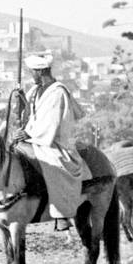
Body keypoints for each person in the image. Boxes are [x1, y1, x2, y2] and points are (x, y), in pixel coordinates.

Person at [9, 51, 90, 228]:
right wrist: (20, 101)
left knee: (51, 164)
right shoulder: (35, 90)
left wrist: (29, 134)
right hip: (37, 137)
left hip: (54, 142)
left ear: (39, 72)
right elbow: (27, 114)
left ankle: (61, 214)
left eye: (32, 72)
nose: (31, 76)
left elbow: (51, 122)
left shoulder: (58, 92)